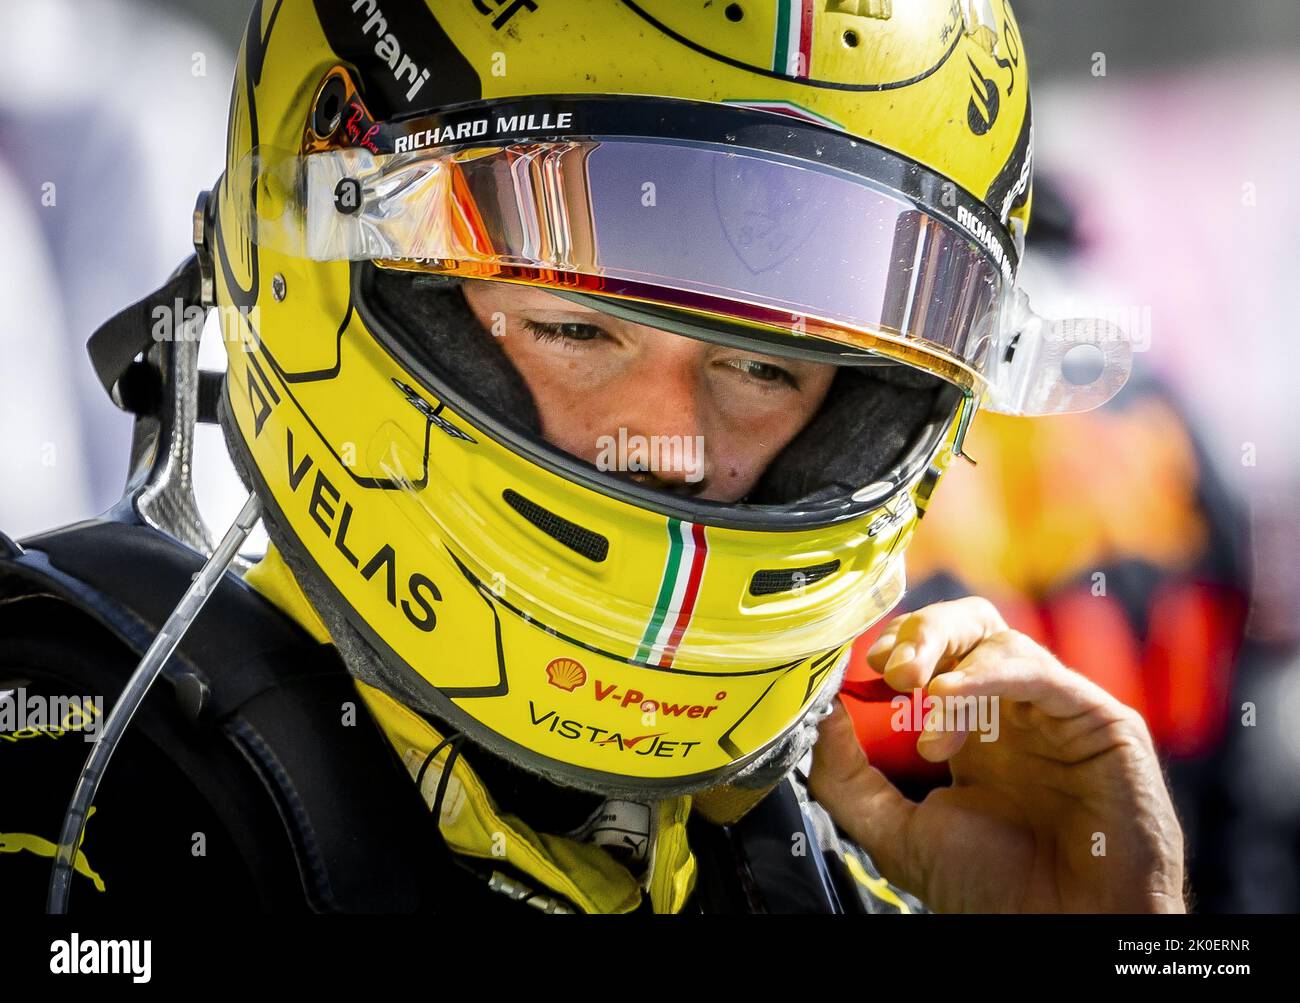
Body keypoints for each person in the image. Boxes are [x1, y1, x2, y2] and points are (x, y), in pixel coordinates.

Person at [0, 0, 1184, 914]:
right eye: (577, 329)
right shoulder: (71, 775)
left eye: (765, 370)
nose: (667, 446)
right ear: (316, 251)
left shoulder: (827, 860)